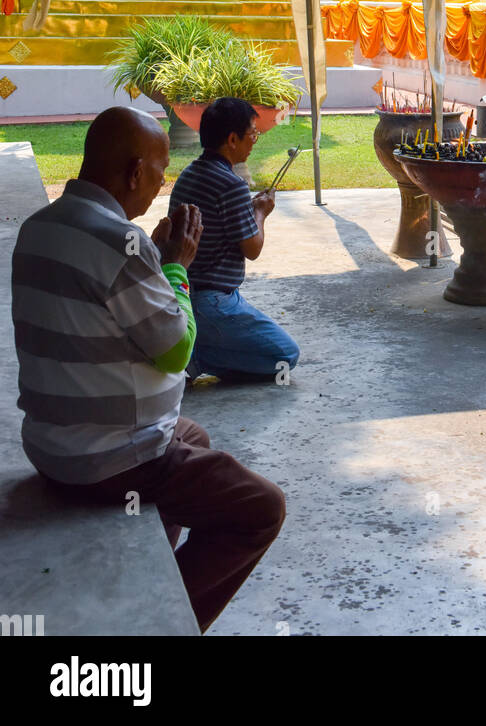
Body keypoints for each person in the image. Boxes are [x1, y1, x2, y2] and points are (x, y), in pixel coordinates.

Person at [11, 106, 286, 634]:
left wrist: (155, 261)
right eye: (160, 172)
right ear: (134, 171)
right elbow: (176, 350)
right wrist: (177, 264)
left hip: (49, 444)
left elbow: (112, 307)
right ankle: (154, 618)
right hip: (112, 459)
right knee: (261, 508)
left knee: (194, 432)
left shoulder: (40, 227)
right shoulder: (121, 243)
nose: (162, 187)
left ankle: (148, 563)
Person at [169, 96, 300, 381]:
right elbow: (253, 248)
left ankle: (199, 344)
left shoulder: (189, 174)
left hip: (188, 292)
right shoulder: (232, 185)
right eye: (252, 133)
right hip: (209, 300)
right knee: (285, 357)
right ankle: (197, 353)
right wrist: (261, 212)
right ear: (231, 139)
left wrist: (249, 209)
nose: (255, 141)